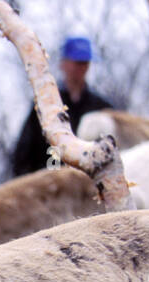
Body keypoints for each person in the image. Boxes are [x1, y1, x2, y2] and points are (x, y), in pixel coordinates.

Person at [10, 35, 114, 177]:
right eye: (77, 62)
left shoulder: (101, 107)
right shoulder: (45, 105)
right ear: (63, 63)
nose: (82, 67)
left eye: (85, 62)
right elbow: (23, 156)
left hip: (90, 187)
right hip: (50, 183)